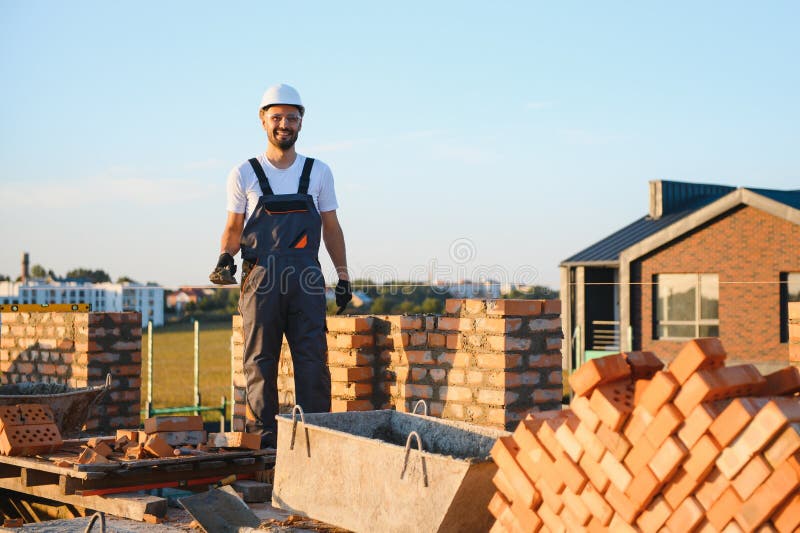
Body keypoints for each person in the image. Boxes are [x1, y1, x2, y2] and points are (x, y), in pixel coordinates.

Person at [210, 83, 352, 448]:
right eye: (277, 117)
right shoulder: (244, 173)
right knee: (259, 365)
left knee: (312, 365)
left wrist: (343, 276)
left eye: (292, 117)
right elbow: (232, 227)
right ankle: (264, 450)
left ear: (301, 123)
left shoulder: (318, 172)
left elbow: (332, 227)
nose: (284, 124)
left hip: (306, 279)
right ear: (262, 120)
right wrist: (225, 258)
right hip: (260, 279)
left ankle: (317, 445)